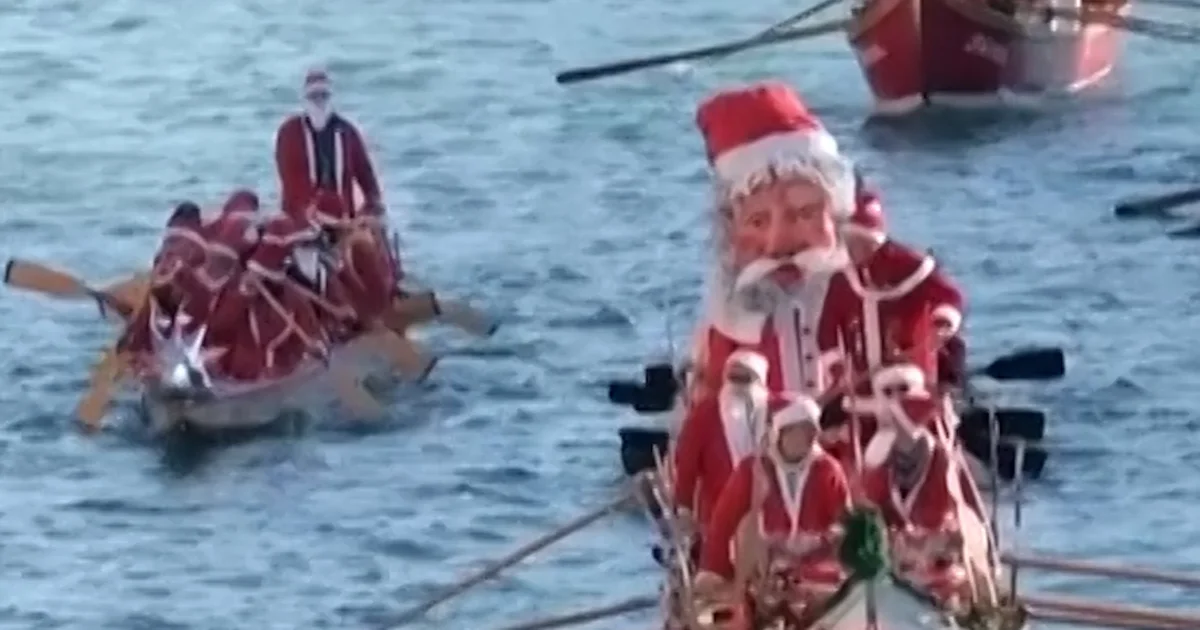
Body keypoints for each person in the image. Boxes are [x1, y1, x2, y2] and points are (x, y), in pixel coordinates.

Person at [687, 81, 865, 401]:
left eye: (802, 214)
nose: (778, 245)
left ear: (836, 215)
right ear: (730, 230)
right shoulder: (725, 327)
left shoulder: (877, 303)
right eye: (757, 222)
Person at [694, 396, 851, 627]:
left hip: (813, 568)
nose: (809, 439)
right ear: (781, 432)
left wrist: (826, 540)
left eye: (812, 432)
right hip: (762, 570)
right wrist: (712, 569)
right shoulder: (752, 469)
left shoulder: (827, 469)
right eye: (802, 431)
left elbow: (844, 521)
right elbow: (723, 523)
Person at [858, 362, 996, 608]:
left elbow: (974, 516)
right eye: (888, 393)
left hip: (942, 574)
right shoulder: (877, 461)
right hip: (897, 577)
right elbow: (868, 514)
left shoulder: (946, 459)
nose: (896, 400)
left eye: (903, 390)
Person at [672, 351, 774, 530]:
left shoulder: (778, 413)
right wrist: (683, 507)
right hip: (718, 512)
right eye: (733, 378)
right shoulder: (705, 414)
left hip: (772, 513)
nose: (738, 386)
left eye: (745, 379)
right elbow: (687, 464)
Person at [275, 67, 383, 221]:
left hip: (344, 221)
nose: (319, 101)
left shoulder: (347, 133)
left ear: (331, 98)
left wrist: (372, 209)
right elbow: (292, 182)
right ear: (305, 99)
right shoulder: (289, 133)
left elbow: (367, 179)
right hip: (301, 222)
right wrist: (316, 214)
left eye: (324, 95)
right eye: (314, 96)